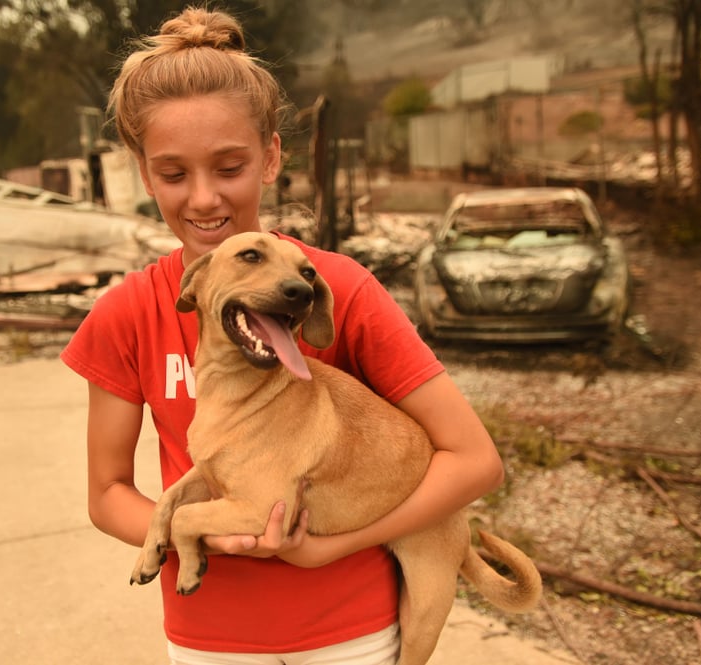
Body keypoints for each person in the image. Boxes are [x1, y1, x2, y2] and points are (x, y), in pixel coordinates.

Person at [60, 7, 505, 664]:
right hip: (208, 639)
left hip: (352, 633)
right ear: (144, 172)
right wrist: (194, 529)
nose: (205, 198)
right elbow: (106, 494)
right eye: (175, 173)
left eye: (230, 166)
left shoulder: (335, 290)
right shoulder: (129, 312)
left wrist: (330, 545)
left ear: (270, 158)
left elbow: (475, 461)